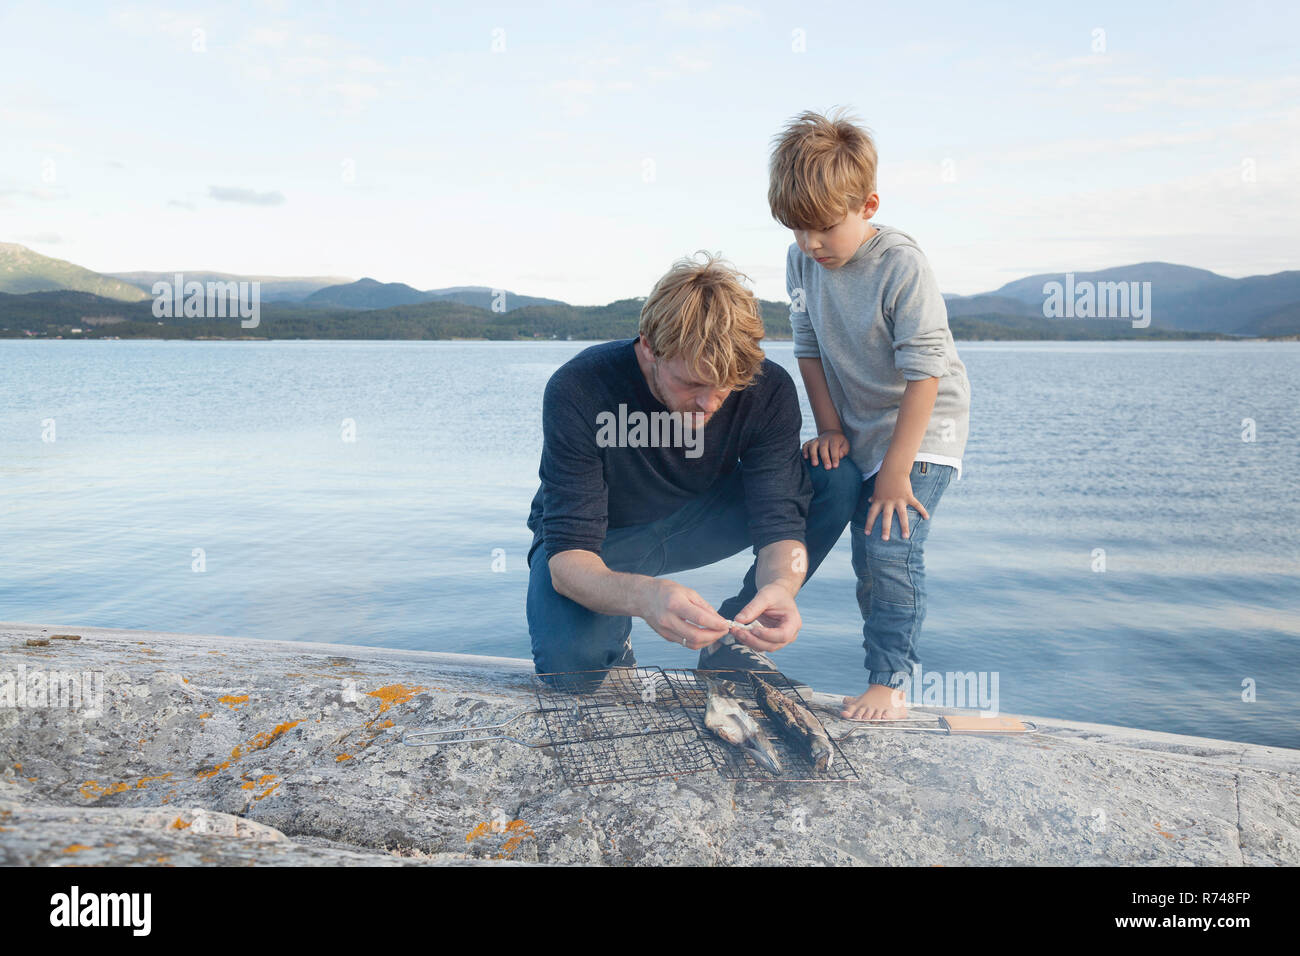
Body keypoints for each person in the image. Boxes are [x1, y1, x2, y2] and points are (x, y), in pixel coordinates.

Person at [526, 253, 862, 676]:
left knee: (835, 478)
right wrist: (646, 597)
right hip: (599, 542)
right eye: (691, 384)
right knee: (570, 669)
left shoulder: (766, 386)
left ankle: (733, 638)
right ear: (649, 347)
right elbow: (568, 561)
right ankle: (614, 636)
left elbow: (780, 521)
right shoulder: (580, 388)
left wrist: (781, 586)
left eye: (725, 387)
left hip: (696, 522)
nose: (709, 404)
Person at [768, 109, 971, 720]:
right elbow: (807, 349)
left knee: (889, 546)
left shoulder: (900, 265)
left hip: (924, 426)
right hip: (858, 425)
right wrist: (829, 427)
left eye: (825, 227)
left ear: (868, 205)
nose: (810, 243)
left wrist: (895, 469)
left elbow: (925, 372)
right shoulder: (801, 261)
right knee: (864, 554)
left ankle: (890, 681)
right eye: (797, 228)